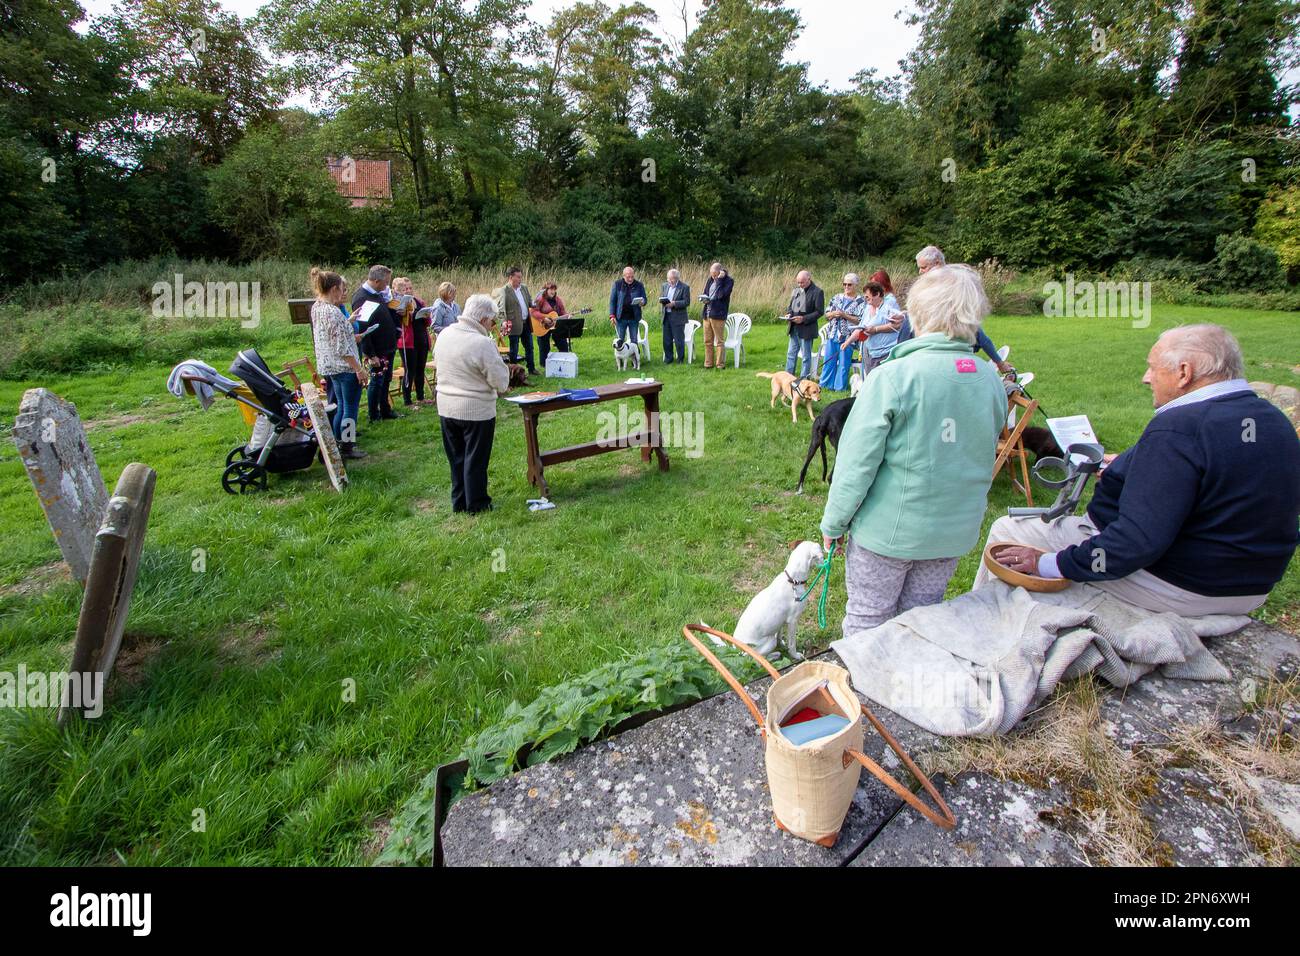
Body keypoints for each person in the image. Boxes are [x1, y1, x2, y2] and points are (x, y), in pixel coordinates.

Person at [981, 324, 1300, 616]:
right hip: (1252, 584)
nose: (1146, 377)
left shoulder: (1180, 428)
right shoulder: (1272, 419)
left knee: (1008, 532)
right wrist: (1135, 464)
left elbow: (1136, 543)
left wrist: (1050, 563)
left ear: (1184, 373)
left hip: (1186, 583)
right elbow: (1218, 476)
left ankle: (980, 630)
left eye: (1152, 367)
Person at [821, 264, 1007, 635]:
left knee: (869, 624)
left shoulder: (892, 377)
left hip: (888, 533)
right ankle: (908, 688)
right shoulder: (990, 380)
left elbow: (856, 464)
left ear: (918, 313)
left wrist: (834, 523)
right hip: (952, 532)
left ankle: (865, 692)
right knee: (919, 623)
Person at [433, 293, 511, 513]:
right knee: (475, 459)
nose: (492, 325)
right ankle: (477, 504)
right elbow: (500, 382)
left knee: (456, 457)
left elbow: (437, 362)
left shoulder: (445, 334)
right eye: (492, 321)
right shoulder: (482, 342)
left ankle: (459, 501)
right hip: (475, 409)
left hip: (446, 405)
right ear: (484, 320)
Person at [916, 246, 1013, 373]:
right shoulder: (929, 286)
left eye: (924, 267)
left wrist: (999, 363)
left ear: (937, 263)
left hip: (957, 349)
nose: (920, 272)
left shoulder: (956, 284)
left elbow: (979, 334)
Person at [310, 267, 369, 460]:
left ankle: (337, 442)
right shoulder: (333, 312)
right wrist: (358, 369)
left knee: (341, 405)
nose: (342, 292)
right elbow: (342, 347)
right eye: (341, 288)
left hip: (329, 365)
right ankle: (348, 446)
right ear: (334, 288)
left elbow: (334, 336)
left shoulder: (317, 307)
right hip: (344, 367)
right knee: (350, 409)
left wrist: (350, 330)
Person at [352, 264, 402, 423]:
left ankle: (385, 409)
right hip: (376, 349)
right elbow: (363, 329)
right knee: (377, 381)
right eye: (385, 282)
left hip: (388, 345)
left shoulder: (378, 294)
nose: (387, 285)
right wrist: (371, 354)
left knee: (386, 379)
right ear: (375, 280)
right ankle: (374, 414)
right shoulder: (362, 297)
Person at [819, 273, 866, 391]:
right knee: (829, 361)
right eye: (844, 284)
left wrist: (845, 315)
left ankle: (839, 387)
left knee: (844, 363)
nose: (846, 287)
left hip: (848, 336)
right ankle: (825, 385)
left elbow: (859, 320)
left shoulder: (860, 301)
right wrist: (833, 314)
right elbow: (827, 314)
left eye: (849, 284)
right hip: (833, 333)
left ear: (855, 285)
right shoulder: (836, 297)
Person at [392, 276, 431, 405]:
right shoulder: (398, 303)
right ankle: (407, 401)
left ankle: (421, 397)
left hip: (421, 338)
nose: (408, 290)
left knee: (420, 369)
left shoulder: (419, 301)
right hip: (408, 341)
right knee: (410, 370)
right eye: (405, 288)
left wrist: (426, 315)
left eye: (410, 288)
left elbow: (428, 323)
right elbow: (399, 321)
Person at [493, 266, 536, 375]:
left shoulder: (524, 288)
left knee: (530, 347)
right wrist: (503, 321)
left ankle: (531, 369)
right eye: (518, 277)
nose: (521, 279)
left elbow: (530, 302)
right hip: (513, 324)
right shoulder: (504, 290)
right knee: (514, 350)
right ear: (511, 277)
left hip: (526, 322)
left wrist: (536, 303)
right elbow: (501, 308)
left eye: (521, 277)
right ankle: (513, 372)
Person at [783, 270, 823, 379]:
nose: (800, 285)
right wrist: (789, 314)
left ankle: (804, 379)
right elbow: (791, 307)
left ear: (809, 279)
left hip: (807, 328)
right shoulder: (796, 290)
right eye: (798, 282)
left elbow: (819, 312)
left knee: (806, 356)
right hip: (794, 327)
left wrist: (803, 319)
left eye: (803, 282)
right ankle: (788, 377)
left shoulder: (817, 292)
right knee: (791, 354)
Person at [530, 281, 571, 368]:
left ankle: (564, 361)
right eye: (551, 289)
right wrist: (543, 318)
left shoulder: (558, 300)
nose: (553, 291)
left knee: (563, 343)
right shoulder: (540, 299)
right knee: (544, 346)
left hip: (556, 325)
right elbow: (533, 312)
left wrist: (567, 316)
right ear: (546, 290)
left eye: (554, 289)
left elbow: (563, 311)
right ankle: (544, 364)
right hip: (541, 326)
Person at [699, 262, 733, 369]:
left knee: (719, 341)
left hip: (718, 314)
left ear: (720, 272)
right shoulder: (709, 280)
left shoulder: (728, 281)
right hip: (707, 313)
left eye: (714, 274)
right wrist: (704, 298)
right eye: (711, 274)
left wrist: (719, 280)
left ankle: (720, 364)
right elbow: (706, 292)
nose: (712, 276)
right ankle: (708, 363)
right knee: (707, 341)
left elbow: (721, 295)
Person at [608, 266, 647, 352]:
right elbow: (612, 301)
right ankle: (620, 361)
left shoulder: (639, 285)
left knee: (634, 341)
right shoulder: (617, 284)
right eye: (628, 277)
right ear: (623, 276)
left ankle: (636, 361)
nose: (630, 279)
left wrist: (642, 302)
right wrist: (612, 316)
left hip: (634, 317)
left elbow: (644, 299)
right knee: (620, 340)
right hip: (620, 317)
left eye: (632, 276)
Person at [660, 268, 691, 364]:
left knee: (678, 340)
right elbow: (662, 296)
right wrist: (663, 301)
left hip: (678, 317)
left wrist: (674, 303)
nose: (670, 281)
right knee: (667, 340)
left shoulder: (684, 287)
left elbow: (686, 302)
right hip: (666, 316)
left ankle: (680, 359)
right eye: (668, 279)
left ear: (677, 278)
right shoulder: (664, 285)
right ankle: (669, 359)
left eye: (672, 279)